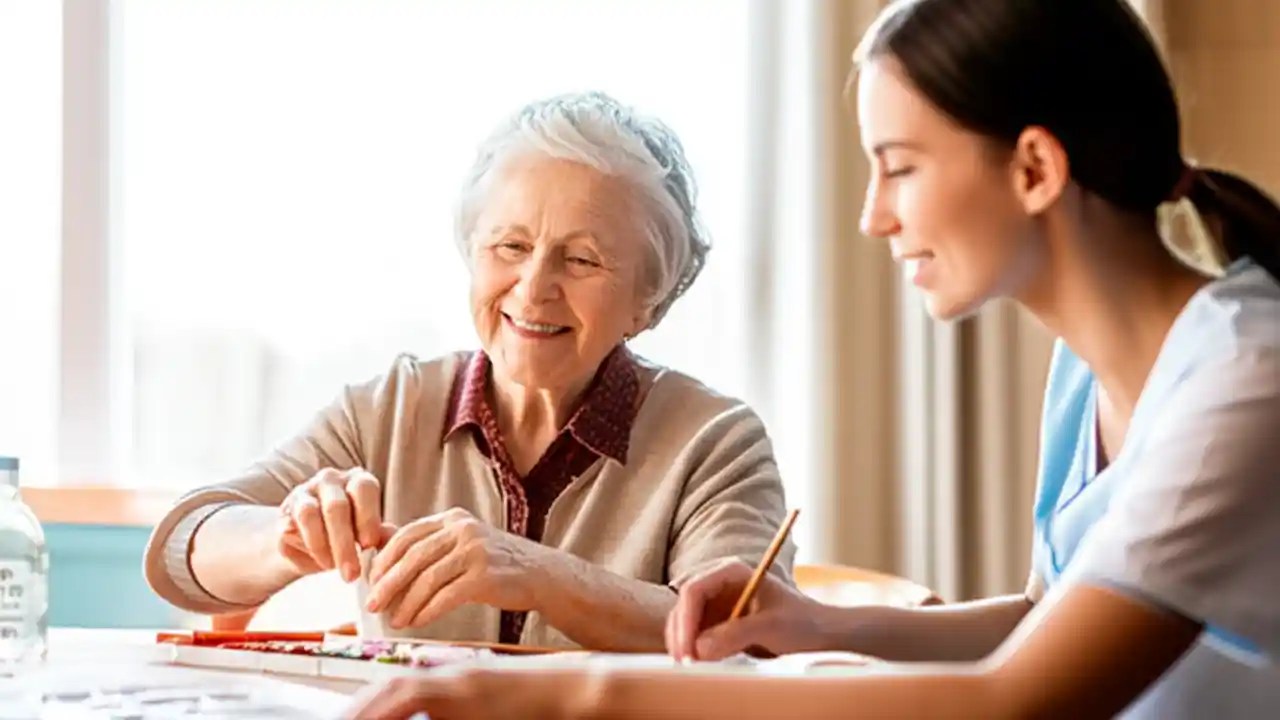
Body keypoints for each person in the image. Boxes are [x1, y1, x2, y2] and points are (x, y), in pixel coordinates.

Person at [343, 0, 1280, 717]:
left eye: (901, 166)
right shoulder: (1089, 369)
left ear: (1034, 169)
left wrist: (568, 692)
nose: (874, 214)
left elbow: (1014, 698)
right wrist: (816, 626)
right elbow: (1049, 617)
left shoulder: (1241, 383)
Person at [142, 91, 795, 652]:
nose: (533, 288)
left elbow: (746, 634)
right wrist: (283, 536)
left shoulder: (714, 440)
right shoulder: (391, 408)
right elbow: (183, 550)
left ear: (647, 302)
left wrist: (541, 575)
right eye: (510, 246)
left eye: (583, 260)